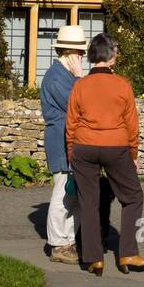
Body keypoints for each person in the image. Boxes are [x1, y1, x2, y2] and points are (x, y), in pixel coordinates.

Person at [65, 31, 144, 276]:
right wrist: (133, 154)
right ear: (113, 57)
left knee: (89, 201)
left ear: (92, 57)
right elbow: (131, 124)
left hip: (84, 147)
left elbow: (71, 123)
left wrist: (72, 153)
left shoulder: (80, 85)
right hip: (115, 147)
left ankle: (94, 258)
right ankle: (128, 252)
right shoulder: (122, 85)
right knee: (133, 197)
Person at [40, 24, 87, 265]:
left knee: (73, 194)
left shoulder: (66, 76)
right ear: (68, 53)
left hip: (72, 140)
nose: (81, 57)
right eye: (79, 53)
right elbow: (78, 105)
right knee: (62, 193)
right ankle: (58, 243)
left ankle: (68, 240)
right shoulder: (57, 76)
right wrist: (80, 77)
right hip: (61, 139)